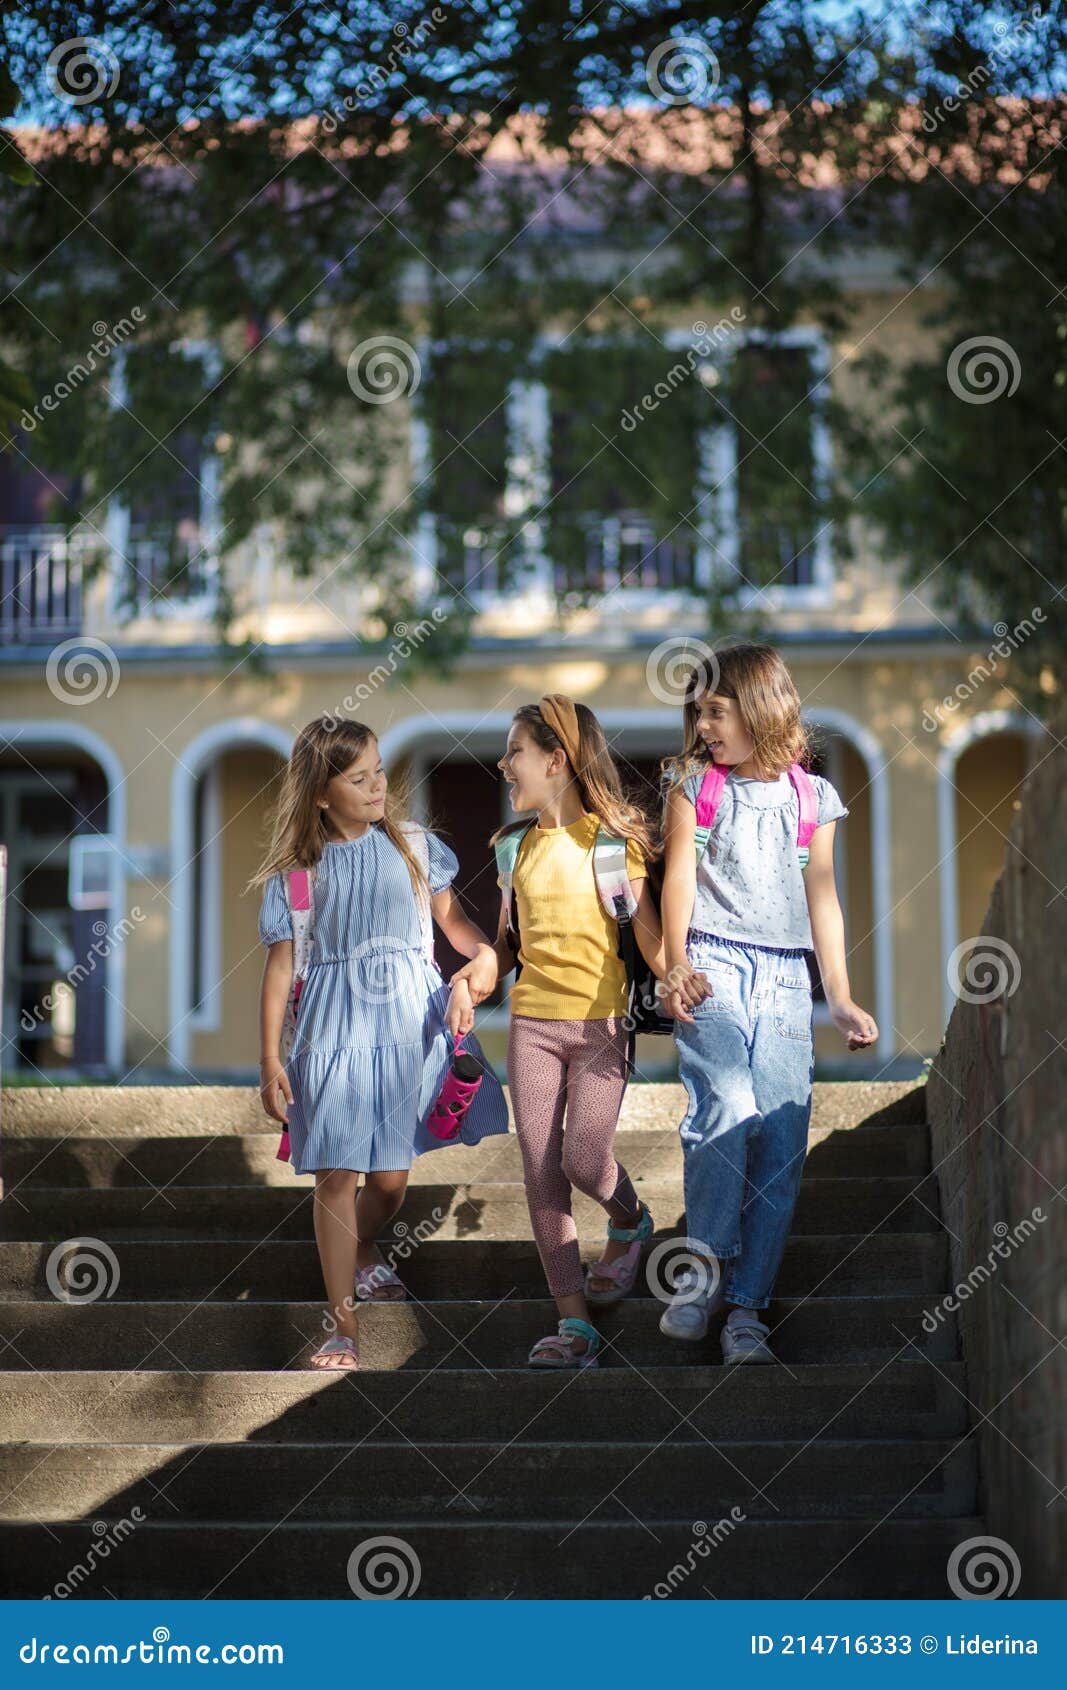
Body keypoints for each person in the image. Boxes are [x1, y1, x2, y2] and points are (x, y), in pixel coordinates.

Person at [254, 716, 504, 1371]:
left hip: (406, 1027)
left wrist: (480, 963)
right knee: (336, 1178)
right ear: (318, 794)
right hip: (329, 1034)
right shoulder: (300, 875)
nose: (376, 786)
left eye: (377, 772)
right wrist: (270, 1060)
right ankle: (343, 1328)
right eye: (357, 778)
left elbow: (457, 926)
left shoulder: (415, 846)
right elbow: (281, 966)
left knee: (389, 1184)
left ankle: (364, 1246)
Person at [659, 645, 878, 1364]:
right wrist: (677, 961)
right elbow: (679, 880)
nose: (703, 726)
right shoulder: (694, 784)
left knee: (780, 1147)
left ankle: (745, 1312)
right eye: (697, 713)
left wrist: (838, 996)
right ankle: (702, 1276)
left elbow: (823, 899)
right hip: (712, 966)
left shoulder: (813, 798)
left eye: (715, 711)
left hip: (787, 980)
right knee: (725, 1105)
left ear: (759, 707)